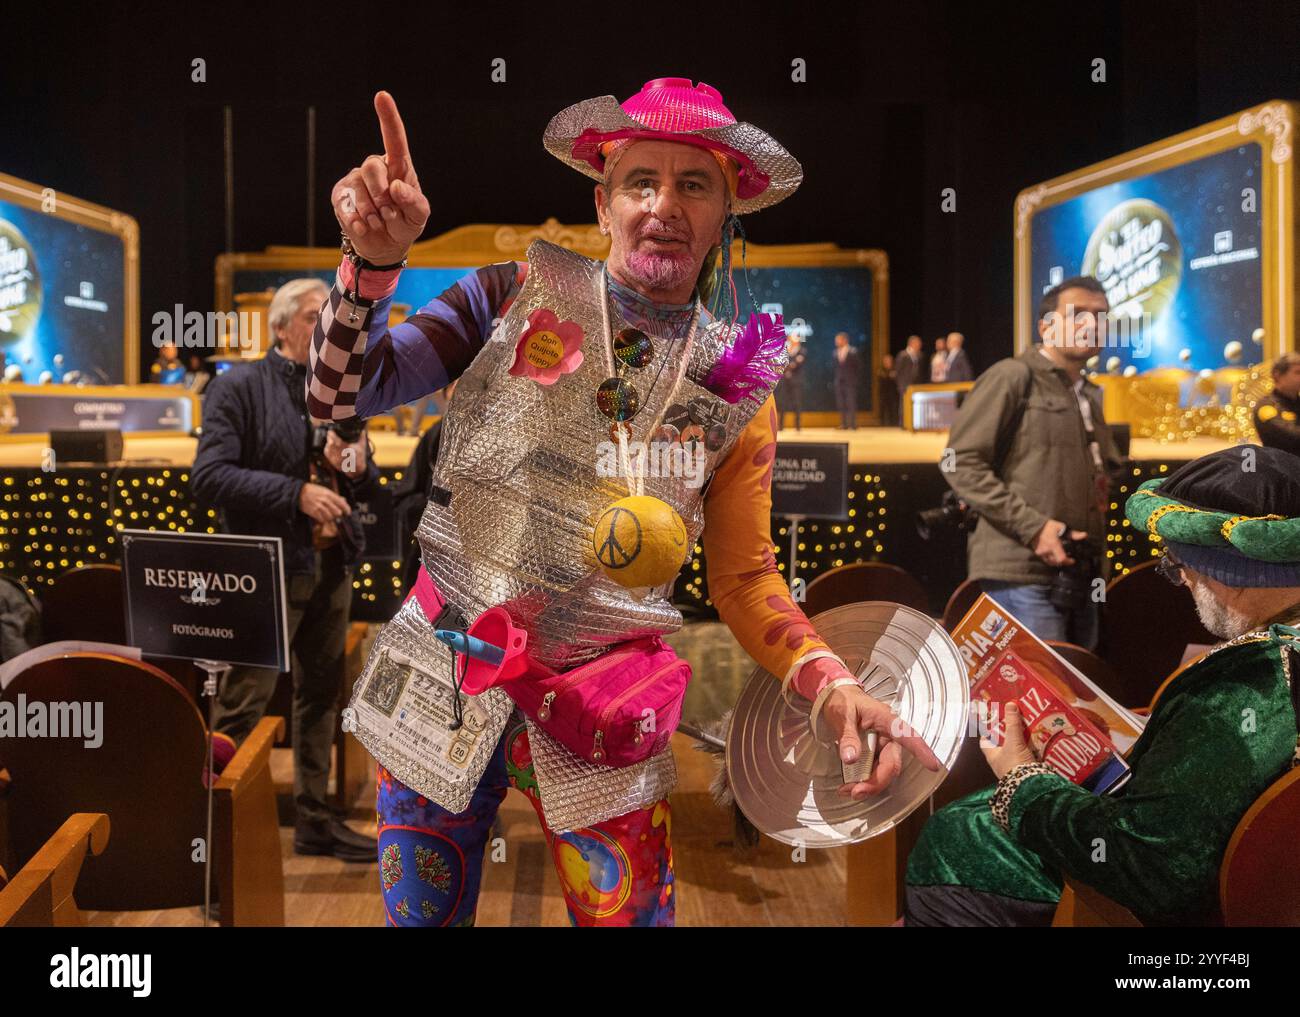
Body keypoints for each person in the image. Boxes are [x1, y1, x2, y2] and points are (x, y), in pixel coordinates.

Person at [308, 81, 937, 926]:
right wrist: (370, 267)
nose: (664, 205)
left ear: (726, 213)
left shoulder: (739, 382)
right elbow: (342, 391)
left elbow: (746, 578)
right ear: (603, 203)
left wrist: (827, 678)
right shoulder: (513, 290)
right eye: (642, 181)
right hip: (444, 667)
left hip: (603, 700)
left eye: (693, 185)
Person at [905, 446, 1300, 926]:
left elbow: (1152, 864)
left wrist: (1021, 779)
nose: (1182, 580)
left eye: (1181, 564)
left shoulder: (1243, 683)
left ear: (1228, 573)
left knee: (956, 833)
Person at [191, 277, 382, 863]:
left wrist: (354, 461)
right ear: (279, 328)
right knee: (245, 704)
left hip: (328, 565)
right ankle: (224, 845)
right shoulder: (238, 387)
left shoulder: (342, 391)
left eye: (331, 317)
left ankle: (314, 822)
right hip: (261, 571)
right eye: (310, 317)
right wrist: (294, 493)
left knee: (321, 696)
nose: (325, 327)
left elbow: (362, 480)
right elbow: (208, 478)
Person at [944, 276, 1122, 650]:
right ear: (1046, 326)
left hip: (1079, 574)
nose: (1091, 324)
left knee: (1077, 699)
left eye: (1101, 315)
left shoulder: (1088, 393)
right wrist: (1035, 528)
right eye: (1077, 314)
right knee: (1040, 700)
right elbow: (959, 462)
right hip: (1021, 574)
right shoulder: (1013, 376)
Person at [1253, 351, 1300, 456]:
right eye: (1297, 372)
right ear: (1277, 376)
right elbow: (1291, 436)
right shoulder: (1266, 407)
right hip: (1280, 466)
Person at [775, 335, 805, 430]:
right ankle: (781, 425)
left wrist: (787, 366)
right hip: (785, 380)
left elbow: (796, 363)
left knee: (797, 403)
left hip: (796, 381)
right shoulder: (786, 350)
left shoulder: (802, 350)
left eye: (793, 339)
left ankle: (798, 425)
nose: (791, 340)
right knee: (782, 402)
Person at [894, 335, 924, 426]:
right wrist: (900, 384)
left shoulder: (919, 356)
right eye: (918, 344)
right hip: (904, 384)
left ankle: (912, 423)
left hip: (914, 385)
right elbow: (897, 371)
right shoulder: (903, 355)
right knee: (903, 405)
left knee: (914, 405)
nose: (920, 346)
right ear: (912, 344)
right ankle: (902, 423)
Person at [833, 331, 860, 429]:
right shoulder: (835, 352)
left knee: (851, 403)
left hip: (850, 381)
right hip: (839, 381)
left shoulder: (853, 351)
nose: (836, 342)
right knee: (841, 403)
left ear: (844, 340)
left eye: (838, 340)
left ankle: (852, 424)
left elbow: (858, 367)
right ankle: (843, 424)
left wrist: (854, 379)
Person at [878, 352, 899, 429]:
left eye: (888, 360)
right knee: (883, 409)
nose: (887, 362)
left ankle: (893, 425)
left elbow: (896, 381)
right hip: (883, 394)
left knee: (893, 409)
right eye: (885, 361)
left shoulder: (895, 370)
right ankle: (882, 425)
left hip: (893, 394)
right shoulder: (881, 370)